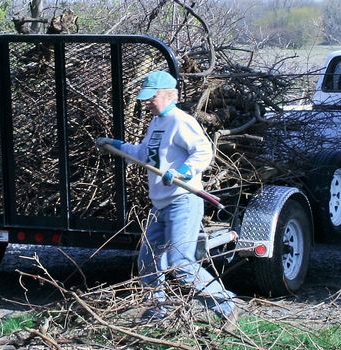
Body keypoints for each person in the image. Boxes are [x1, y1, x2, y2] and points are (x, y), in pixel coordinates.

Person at [95, 70, 236, 322]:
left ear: (169, 95)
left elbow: (203, 152)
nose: (146, 102)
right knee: (148, 261)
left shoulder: (181, 121)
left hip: (183, 201)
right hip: (160, 205)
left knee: (180, 264)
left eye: (152, 97)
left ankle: (226, 304)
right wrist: (118, 147)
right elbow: (146, 155)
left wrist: (182, 171)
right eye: (146, 98)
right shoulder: (157, 122)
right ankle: (159, 311)